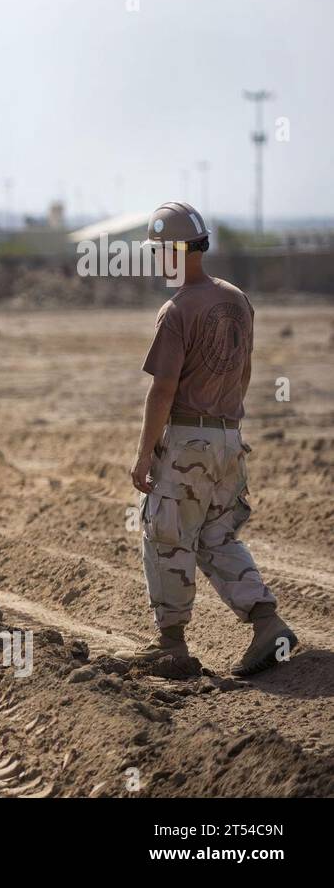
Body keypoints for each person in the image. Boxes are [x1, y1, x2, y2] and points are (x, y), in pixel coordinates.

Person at [121, 200, 297, 677]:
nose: (156, 259)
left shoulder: (176, 310)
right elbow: (244, 371)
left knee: (167, 536)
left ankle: (171, 644)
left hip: (187, 444)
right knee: (217, 537)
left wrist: (143, 457)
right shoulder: (237, 300)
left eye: (158, 251)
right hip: (228, 439)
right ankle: (267, 622)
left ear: (174, 253)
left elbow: (163, 390)